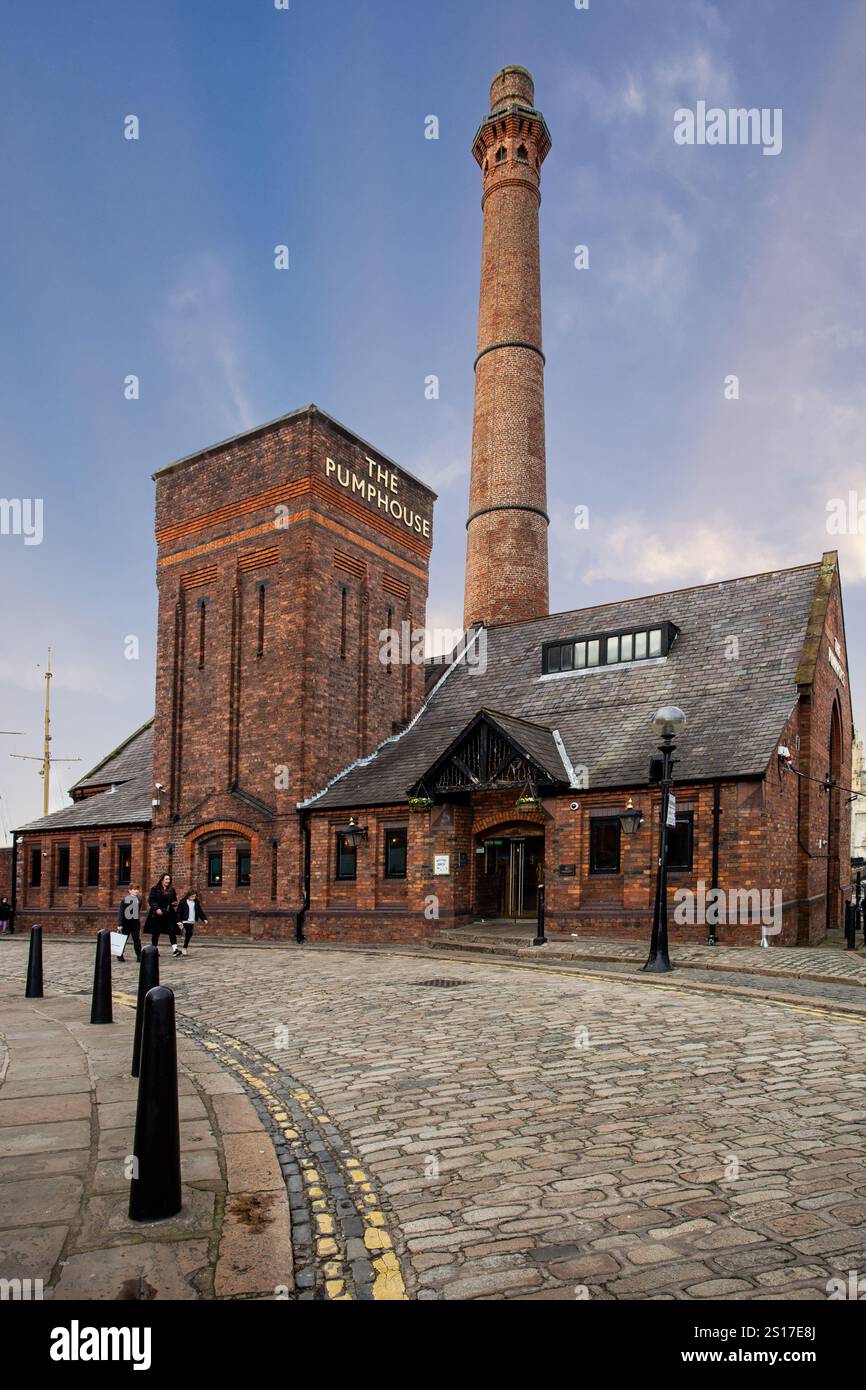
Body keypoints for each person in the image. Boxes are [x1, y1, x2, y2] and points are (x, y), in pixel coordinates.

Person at [145, 872, 180, 956]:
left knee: (172, 929)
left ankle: (175, 949)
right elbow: (151, 900)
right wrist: (156, 908)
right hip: (158, 913)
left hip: (169, 913)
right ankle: (154, 949)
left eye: (169, 879)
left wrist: (174, 903)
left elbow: (174, 899)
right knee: (156, 931)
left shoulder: (171, 890)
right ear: (161, 880)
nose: (168, 881)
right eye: (166, 879)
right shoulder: (155, 889)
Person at [176, 888, 208, 956]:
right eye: (192, 896)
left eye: (194, 896)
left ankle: (184, 946)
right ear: (188, 896)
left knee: (189, 934)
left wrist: (204, 919)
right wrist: (179, 921)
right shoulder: (183, 902)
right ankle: (181, 947)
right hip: (185, 920)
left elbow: (200, 911)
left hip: (192, 920)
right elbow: (178, 912)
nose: (193, 898)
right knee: (189, 932)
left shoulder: (196, 902)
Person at [117, 883, 143, 961]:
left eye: (137, 889)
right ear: (130, 890)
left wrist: (138, 923)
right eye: (134, 889)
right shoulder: (125, 900)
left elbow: (137, 912)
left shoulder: (139, 899)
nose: (136, 891)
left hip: (134, 923)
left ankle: (139, 955)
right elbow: (121, 912)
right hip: (126, 923)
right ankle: (120, 954)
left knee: (136, 939)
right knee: (124, 939)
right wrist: (120, 924)